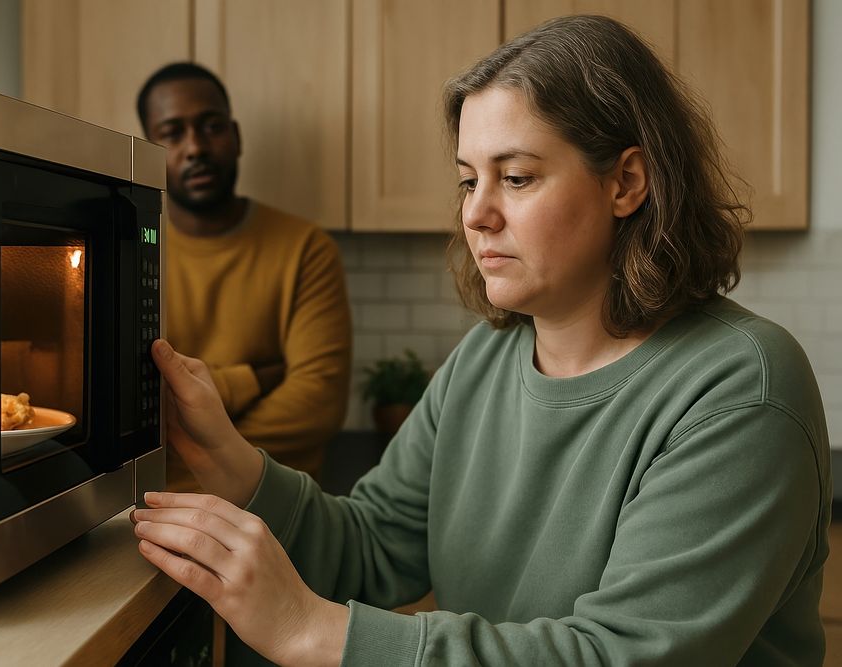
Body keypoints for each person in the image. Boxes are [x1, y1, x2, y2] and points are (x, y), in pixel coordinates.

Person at [131, 15, 831, 666]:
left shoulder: (741, 390)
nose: (477, 213)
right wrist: (224, 454)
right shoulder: (485, 360)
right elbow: (373, 545)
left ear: (627, 181)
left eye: (516, 177)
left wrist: (312, 629)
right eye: (469, 180)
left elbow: (615, 654)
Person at [135, 62, 353, 491]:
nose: (195, 147)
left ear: (235, 138)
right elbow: (128, 410)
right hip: (158, 514)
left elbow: (316, 406)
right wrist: (252, 378)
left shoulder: (306, 249)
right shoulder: (135, 248)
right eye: (173, 132)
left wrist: (183, 437)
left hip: (276, 508)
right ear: (150, 150)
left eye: (211, 126)